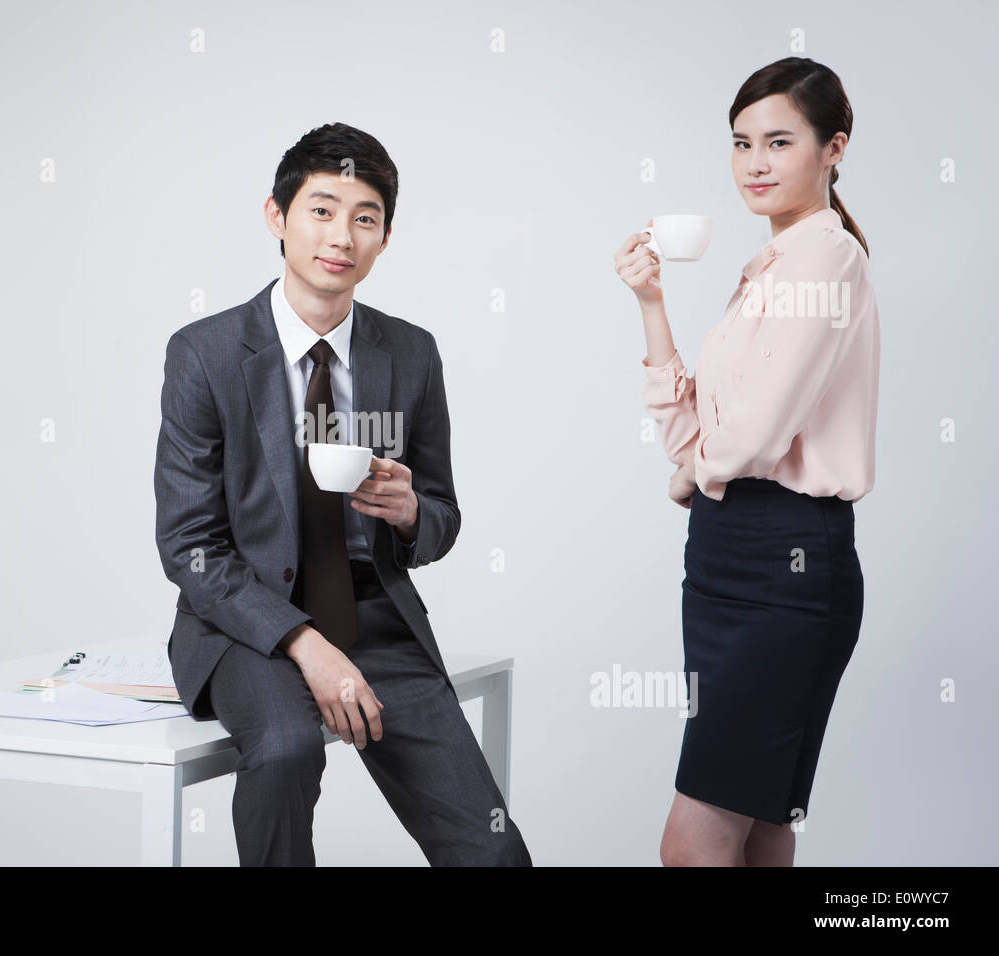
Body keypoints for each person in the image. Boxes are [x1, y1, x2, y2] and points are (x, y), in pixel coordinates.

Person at [154, 122, 531, 866]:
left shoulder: (410, 352)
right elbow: (189, 545)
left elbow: (443, 516)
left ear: (385, 238)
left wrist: (413, 514)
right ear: (277, 216)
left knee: (489, 847)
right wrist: (303, 643)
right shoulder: (205, 353)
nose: (341, 236)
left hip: (375, 618)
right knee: (286, 749)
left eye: (365, 218)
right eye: (321, 210)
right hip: (248, 628)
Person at [613, 57, 880, 866]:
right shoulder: (769, 267)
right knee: (762, 827)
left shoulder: (826, 258)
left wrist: (695, 472)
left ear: (834, 148)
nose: (755, 163)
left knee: (693, 844)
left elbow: (755, 437)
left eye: (779, 141)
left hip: (783, 563)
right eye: (741, 143)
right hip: (728, 557)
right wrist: (651, 305)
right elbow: (694, 436)